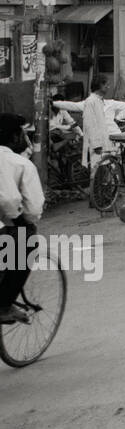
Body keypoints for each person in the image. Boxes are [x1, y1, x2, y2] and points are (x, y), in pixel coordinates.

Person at [0, 113, 45, 325]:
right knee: (27, 240)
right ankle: (4, 305)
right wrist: (21, 221)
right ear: (15, 137)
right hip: (6, 227)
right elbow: (32, 208)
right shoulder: (19, 164)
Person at [52, 73, 118, 168]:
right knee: (97, 173)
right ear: (100, 85)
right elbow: (90, 124)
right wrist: (96, 145)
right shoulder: (92, 101)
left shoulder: (98, 101)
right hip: (96, 145)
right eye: (106, 84)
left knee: (101, 170)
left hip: (101, 142)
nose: (108, 87)